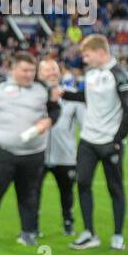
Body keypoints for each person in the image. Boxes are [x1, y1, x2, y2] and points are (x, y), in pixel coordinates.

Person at [0, 52, 59, 246]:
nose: (29, 74)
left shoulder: (42, 88)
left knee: (29, 194)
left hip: (33, 153)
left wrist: (49, 120)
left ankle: (27, 233)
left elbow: (55, 109)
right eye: (24, 70)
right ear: (13, 69)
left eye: (32, 70)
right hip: (1, 150)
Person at [59, 34, 128, 250]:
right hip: (88, 140)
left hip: (110, 142)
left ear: (101, 52)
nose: (84, 59)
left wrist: (118, 140)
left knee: (115, 188)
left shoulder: (120, 75)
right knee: (82, 183)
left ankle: (118, 235)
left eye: (87, 54)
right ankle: (89, 233)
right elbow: (86, 98)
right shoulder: (91, 74)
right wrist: (64, 94)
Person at [37, 58, 82, 235]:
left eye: (55, 70)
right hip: (37, 153)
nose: (52, 73)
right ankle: (32, 228)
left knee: (67, 193)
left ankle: (68, 224)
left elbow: (84, 124)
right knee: (33, 193)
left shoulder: (72, 95)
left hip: (66, 155)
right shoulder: (32, 94)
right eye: (47, 70)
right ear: (39, 74)